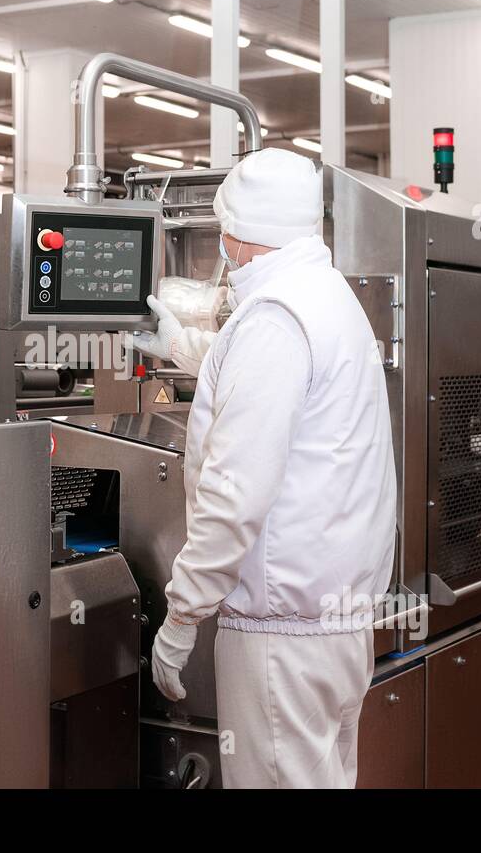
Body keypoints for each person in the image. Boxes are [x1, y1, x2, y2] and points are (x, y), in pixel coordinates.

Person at [126, 147, 396, 788]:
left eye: (222, 229)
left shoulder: (274, 318)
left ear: (240, 235)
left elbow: (235, 494)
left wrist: (183, 614)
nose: (221, 244)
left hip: (282, 637)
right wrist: (181, 346)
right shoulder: (322, 296)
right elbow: (255, 372)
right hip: (334, 625)